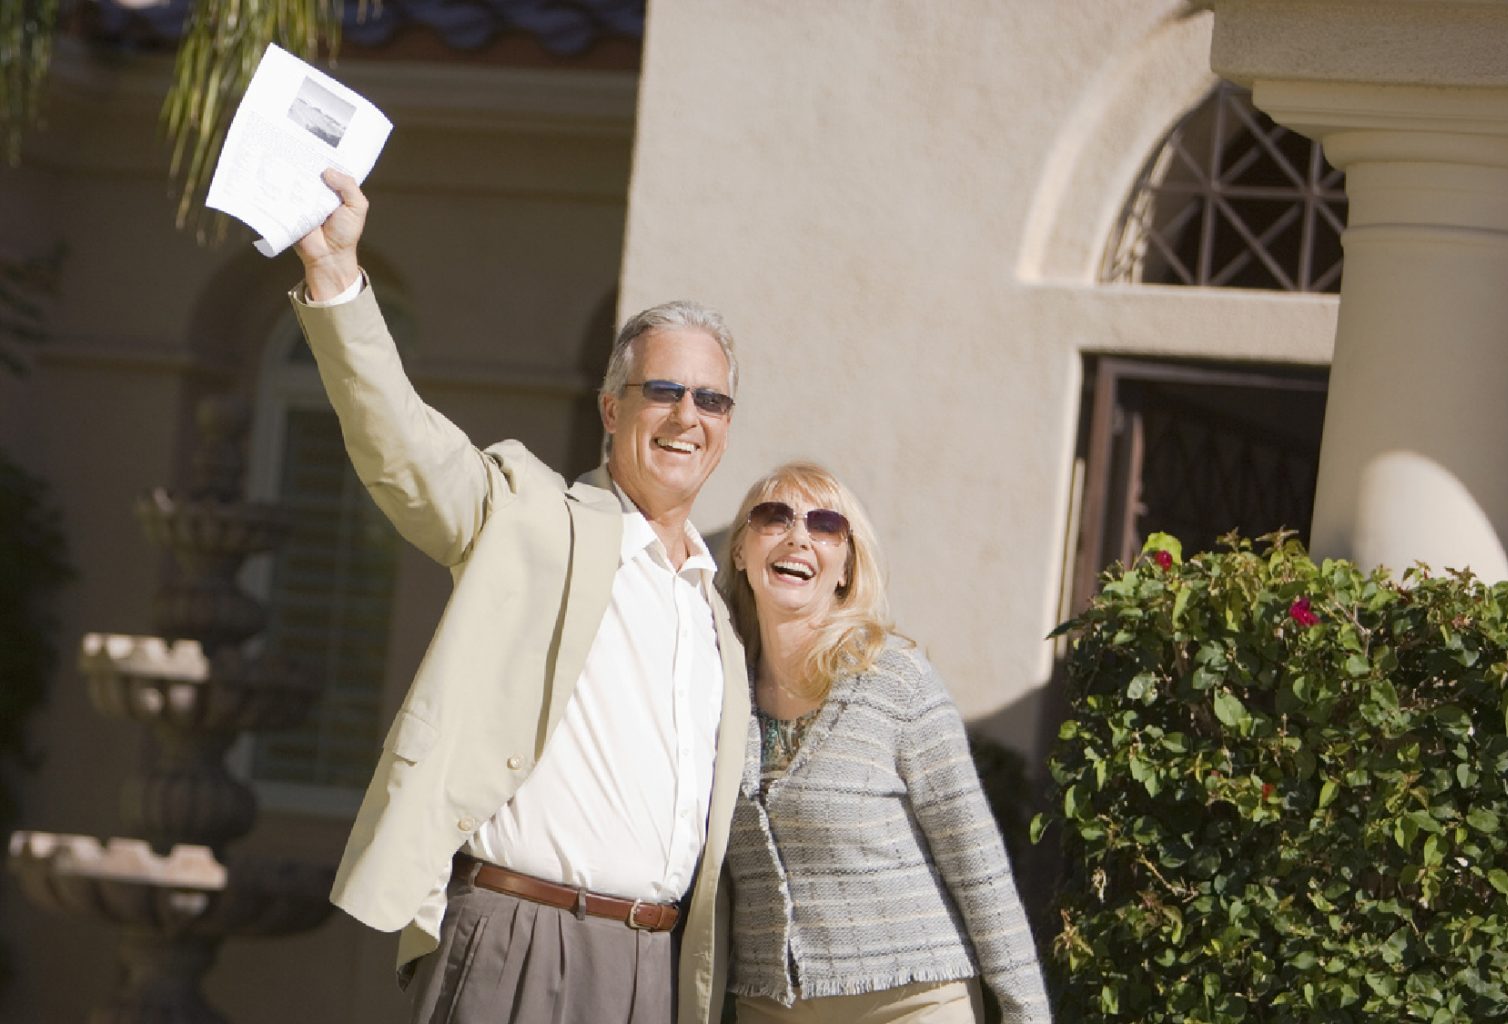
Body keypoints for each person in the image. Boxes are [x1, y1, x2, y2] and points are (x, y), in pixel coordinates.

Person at [288, 169, 749, 1024]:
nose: (689, 414)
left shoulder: (717, 611)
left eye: (712, 399)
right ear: (612, 411)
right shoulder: (533, 517)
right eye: (664, 391)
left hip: (656, 970)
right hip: (520, 937)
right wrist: (337, 278)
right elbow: (405, 447)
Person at [719, 462, 1052, 1024]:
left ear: (846, 567)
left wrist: (1026, 1013)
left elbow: (976, 862)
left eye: (825, 525)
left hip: (911, 1001)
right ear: (740, 552)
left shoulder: (896, 681)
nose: (798, 535)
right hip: (769, 1005)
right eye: (774, 517)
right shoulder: (718, 688)